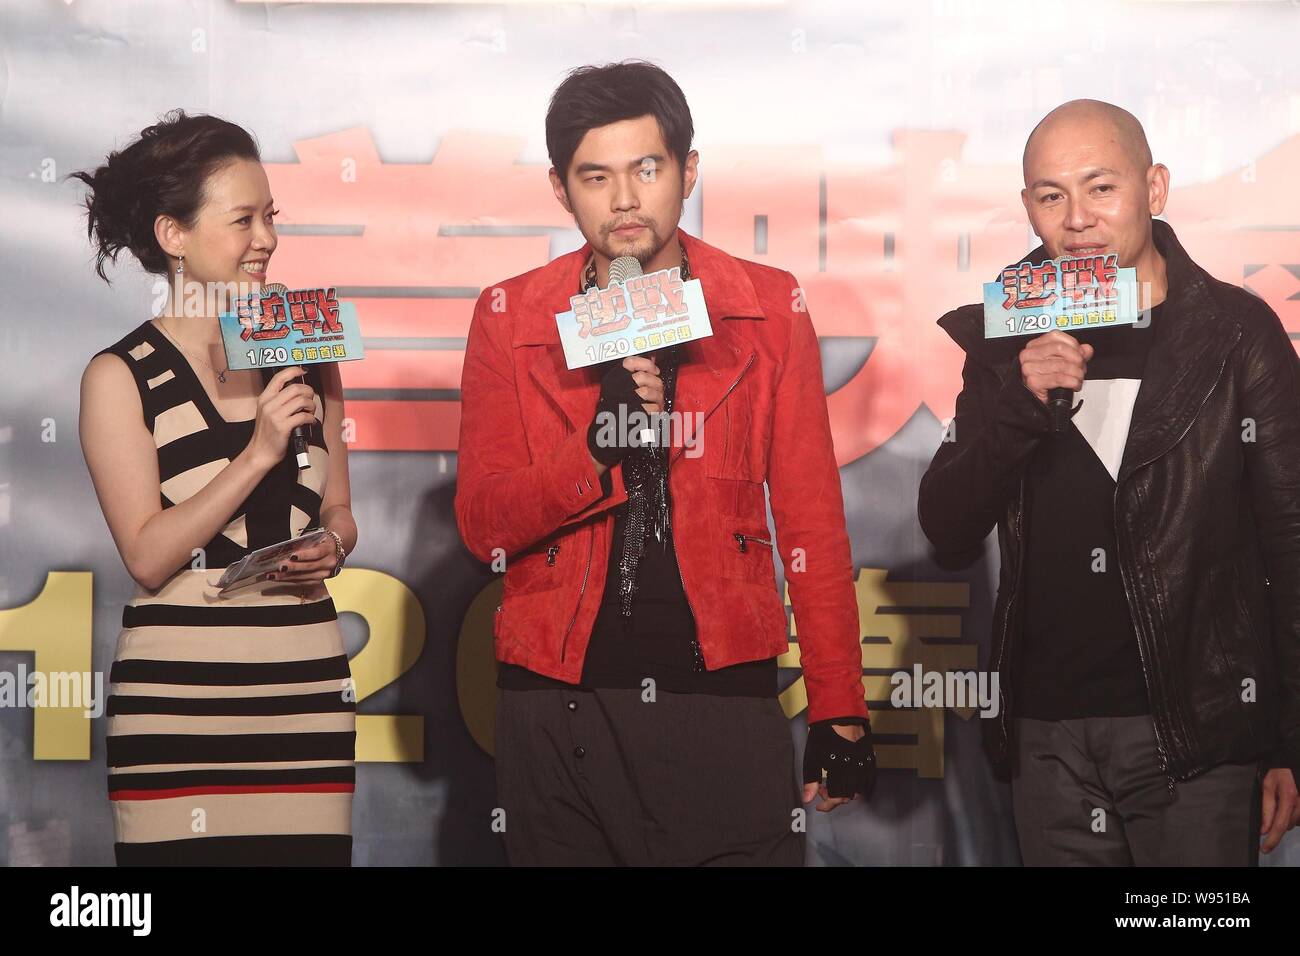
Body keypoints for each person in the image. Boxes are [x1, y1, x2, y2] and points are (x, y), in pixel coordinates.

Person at [455, 60, 875, 866]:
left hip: (721, 705)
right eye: (595, 176)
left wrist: (840, 707)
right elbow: (484, 527)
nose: (624, 199)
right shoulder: (512, 317)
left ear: (688, 171)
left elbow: (812, 522)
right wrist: (595, 449)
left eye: (646, 169)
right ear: (559, 188)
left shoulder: (765, 306)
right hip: (557, 708)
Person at [918, 99, 1300, 865]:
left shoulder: (1234, 332)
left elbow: (1290, 542)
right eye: (1050, 195)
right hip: (1046, 735)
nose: (1077, 219)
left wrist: (1290, 738)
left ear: (1154, 189)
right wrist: (1020, 408)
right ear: (1028, 205)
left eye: (1101, 187)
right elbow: (947, 529)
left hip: (1197, 732)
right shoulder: (1006, 336)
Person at [74, 110, 358, 865]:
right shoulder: (119, 375)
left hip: (305, 694)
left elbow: (339, 509)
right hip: (179, 709)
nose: (266, 238)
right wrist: (258, 452)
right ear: (174, 234)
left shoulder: (306, 344)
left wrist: (332, 544)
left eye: (271, 216)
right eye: (242, 220)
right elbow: (147, 554)